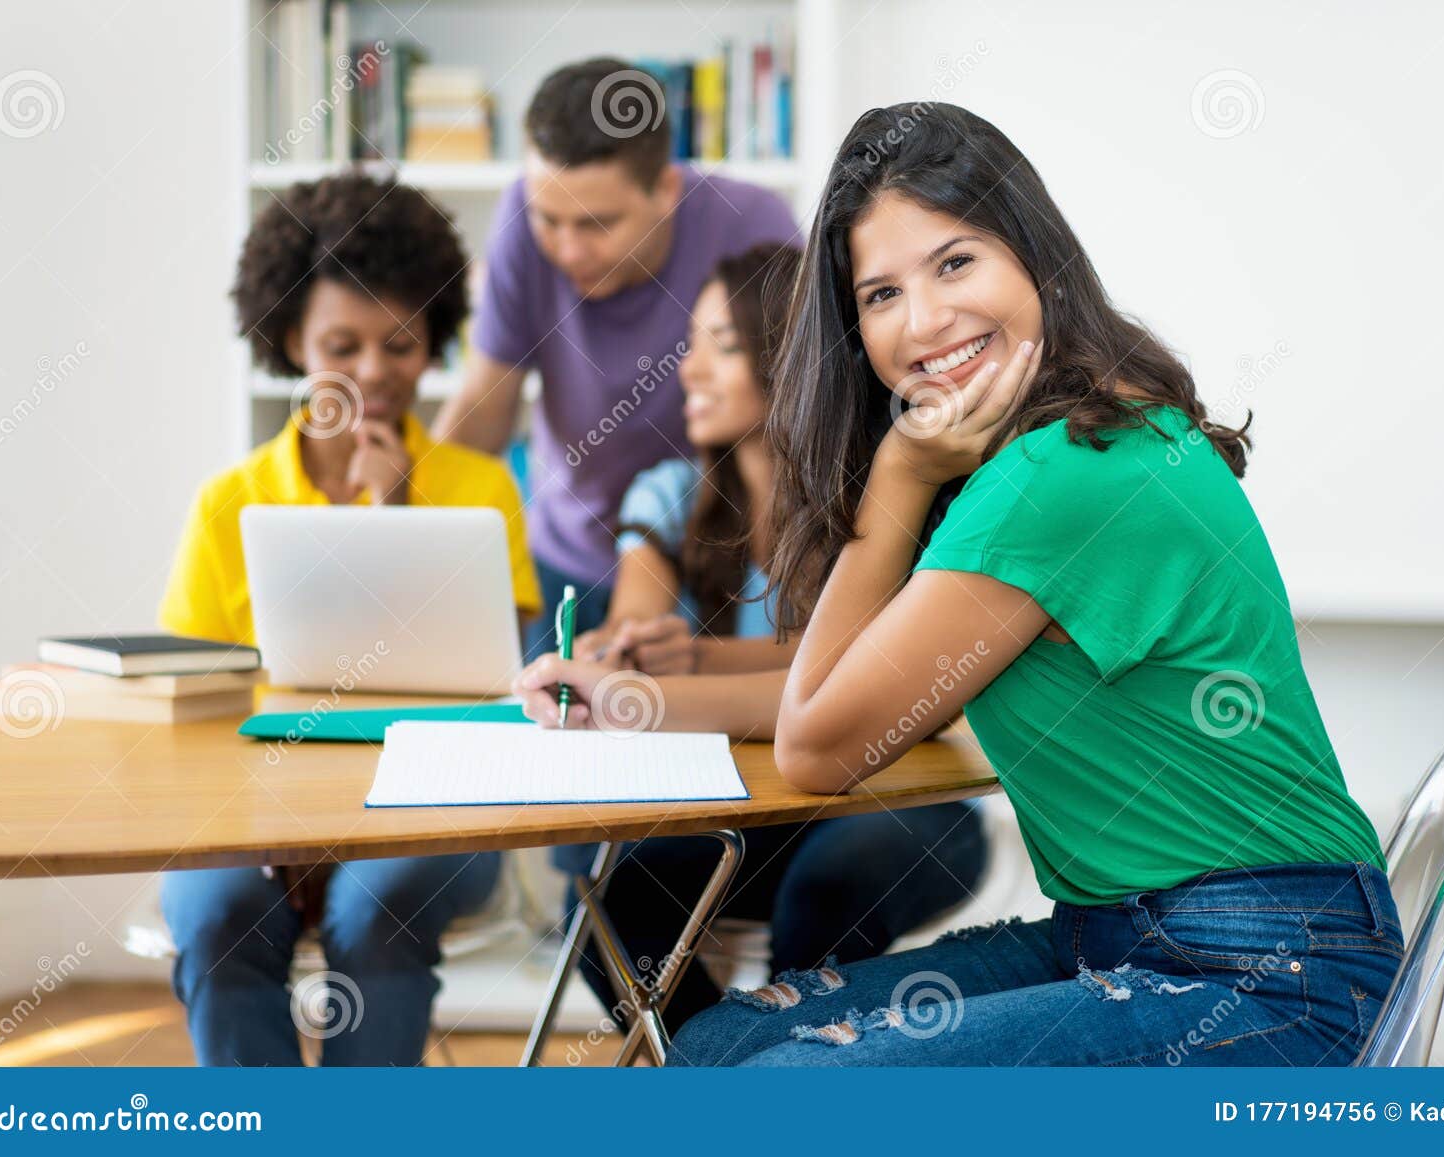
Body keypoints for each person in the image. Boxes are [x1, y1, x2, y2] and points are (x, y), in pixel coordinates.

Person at [652, 103, 1402, 1066]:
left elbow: (814, 747)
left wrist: (897, 476)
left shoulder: (1054, 475)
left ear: (1035, 257)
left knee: (785, 1082)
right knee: (721, 1045)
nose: (924, 321)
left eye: (956, 262)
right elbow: (851, 691)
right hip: (1134, 934)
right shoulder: (1067, 438)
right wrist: (645, 702)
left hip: (1269, 975)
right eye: (880, 294)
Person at [514, 243, 987, 1033]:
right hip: (749, 813)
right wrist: (622, 649)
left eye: (722, 346)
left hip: (891, 798)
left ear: (792, 358)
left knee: (827, 896)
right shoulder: (674, 496)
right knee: (603, 912)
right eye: (692, 345)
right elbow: (639, 609)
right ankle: (732, 1081)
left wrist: (690, 661)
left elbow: (862, 669)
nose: (689, 370)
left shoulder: (894, 491)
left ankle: (783, 1080)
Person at [157, 173, 542, 1066]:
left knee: (377, 911)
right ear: (290, 340)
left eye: (400, 344)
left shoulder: (479, 492)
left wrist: (399, 511)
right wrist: (282, 829)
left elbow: (501, 692)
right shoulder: (231, 505)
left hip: (440, 811)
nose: (374, 371)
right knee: (216, 916)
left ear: (433, 342)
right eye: (343, 343)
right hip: (249, 813)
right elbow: (188, 710)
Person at [432, 57, 800, 660]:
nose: (567, 249)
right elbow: (482, 405)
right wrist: (413, 531)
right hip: (567, 554)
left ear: (665, 190)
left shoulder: (753, 227)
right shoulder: (521, 226)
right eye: (549, 220)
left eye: (597, 223)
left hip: (716, 551)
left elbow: (811, 393)